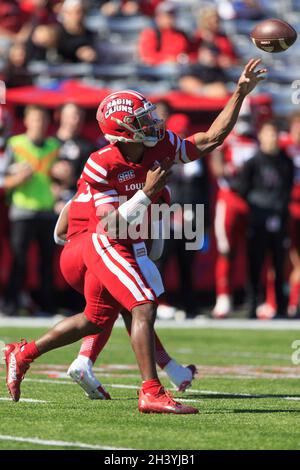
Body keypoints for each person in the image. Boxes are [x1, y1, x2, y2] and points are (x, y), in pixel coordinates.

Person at [4, 59, 266, 414]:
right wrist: (147, 193)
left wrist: (239, 92)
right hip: (88, 241)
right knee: (142, 303)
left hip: (115, 239)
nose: (153, 122)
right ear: (124, 132)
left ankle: (24, 353)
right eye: (143, 119)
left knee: (96, 319)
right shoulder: (102, 161)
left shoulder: (159, 146)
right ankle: (151, 391)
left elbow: (210, 139)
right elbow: (109, 226)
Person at [53, 179, 197, 398]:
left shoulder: (95, 181)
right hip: (105, 250)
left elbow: (58, 233)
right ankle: (76, 359)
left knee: (124, 308)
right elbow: (155, 249)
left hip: (73, 256)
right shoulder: (150, 187)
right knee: (132, 307)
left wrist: (81, 244)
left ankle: (174, 370)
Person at [3, 105, 60, 316]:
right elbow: (2, 178)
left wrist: (61, 178)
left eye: (43, 120)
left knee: (47, 263)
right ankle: (10, 305)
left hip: (47, 209)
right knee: (19, 260)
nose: (40, 124)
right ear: (26, 121)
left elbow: (61, 178)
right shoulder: (15, 144)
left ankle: (46, 305)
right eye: (35, 119)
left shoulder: (54, 146)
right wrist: (16, 178)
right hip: (22, 210)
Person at [236, 120, 294, 318]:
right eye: (268, 133)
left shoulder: (286, 161)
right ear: (260, 136)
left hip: (278, 218)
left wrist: (279, 208)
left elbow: (287, 188)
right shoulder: (253, 162)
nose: (272, 138)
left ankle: (282, 307)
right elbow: (242, 189)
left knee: (279, 265)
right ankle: (252, 305)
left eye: (275, 134)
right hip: (258, 218)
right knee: (255, 263)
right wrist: (257, 207)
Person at [211, 112, 258, 318]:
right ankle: (223, 297)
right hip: (229, 198)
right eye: (243, 118)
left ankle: (253, 299)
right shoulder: (226, 140)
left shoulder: (256, 141)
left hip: (252, 201)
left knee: (254, 252)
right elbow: (218, 169)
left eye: (248, 119)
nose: (245, 124)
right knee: (225, 250)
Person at [138, 1, 194, 66]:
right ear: (158, 17)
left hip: (180, 71)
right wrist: (170, 59)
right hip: (157, 73)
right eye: (167, 15)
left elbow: (191, 54)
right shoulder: (150, 34)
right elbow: (147, 58)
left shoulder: (181, 34)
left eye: (172, 15)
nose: (170, 19)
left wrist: (186, 59)